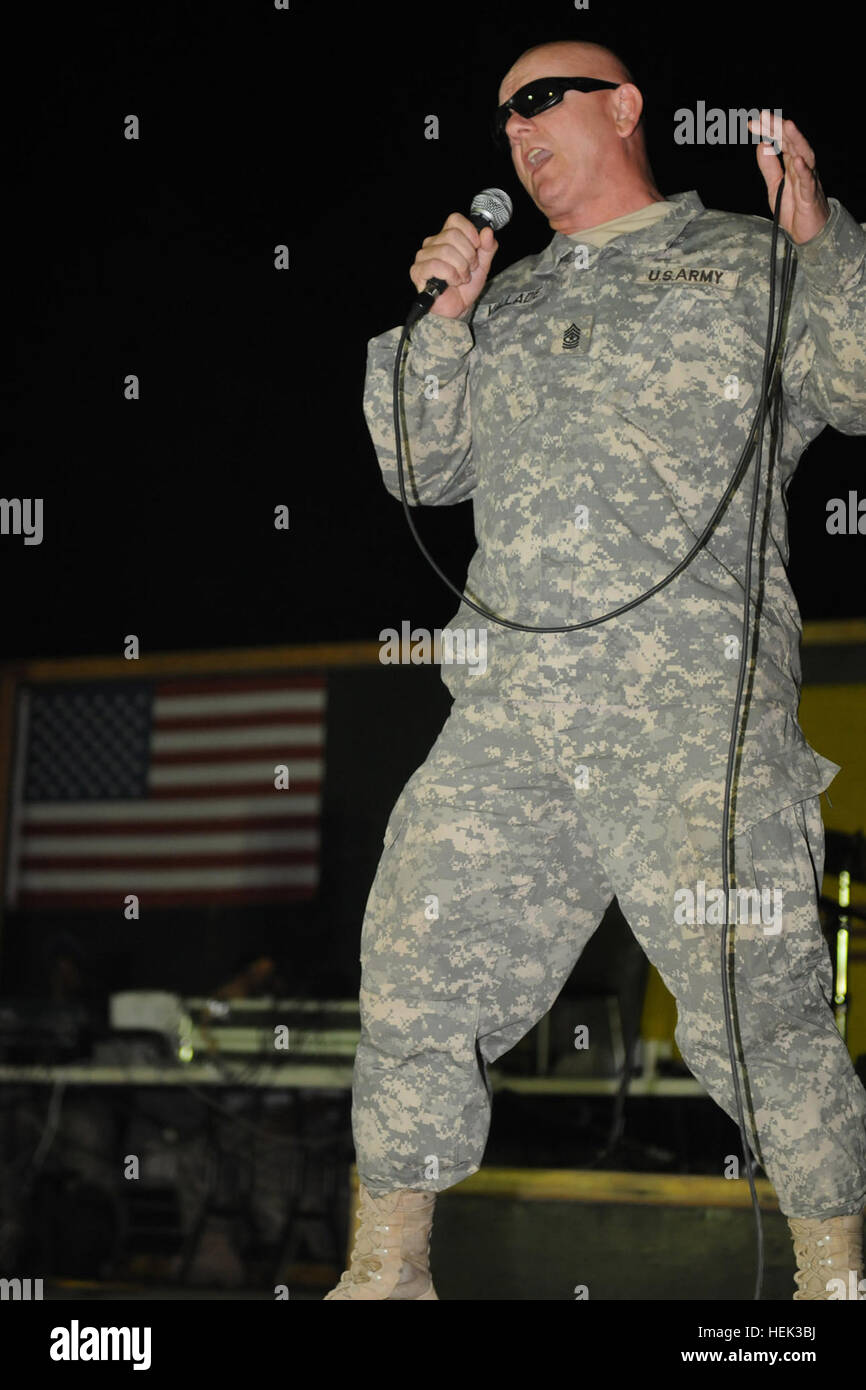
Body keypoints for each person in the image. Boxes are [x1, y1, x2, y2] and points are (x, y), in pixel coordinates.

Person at [325, 39, 866, 1300]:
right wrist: (442, 318)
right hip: (508, 720)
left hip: (693, 715)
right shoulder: (500, 300)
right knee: (413, 967)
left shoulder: (748, 256)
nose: (512, 128)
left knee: (758, 1009)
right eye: (498, 114)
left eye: (538, 99)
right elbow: (415, 466)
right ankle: (384, 1273)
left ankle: (835, 1283)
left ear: (622, 108)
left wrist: (820, 235)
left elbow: (852, 376)